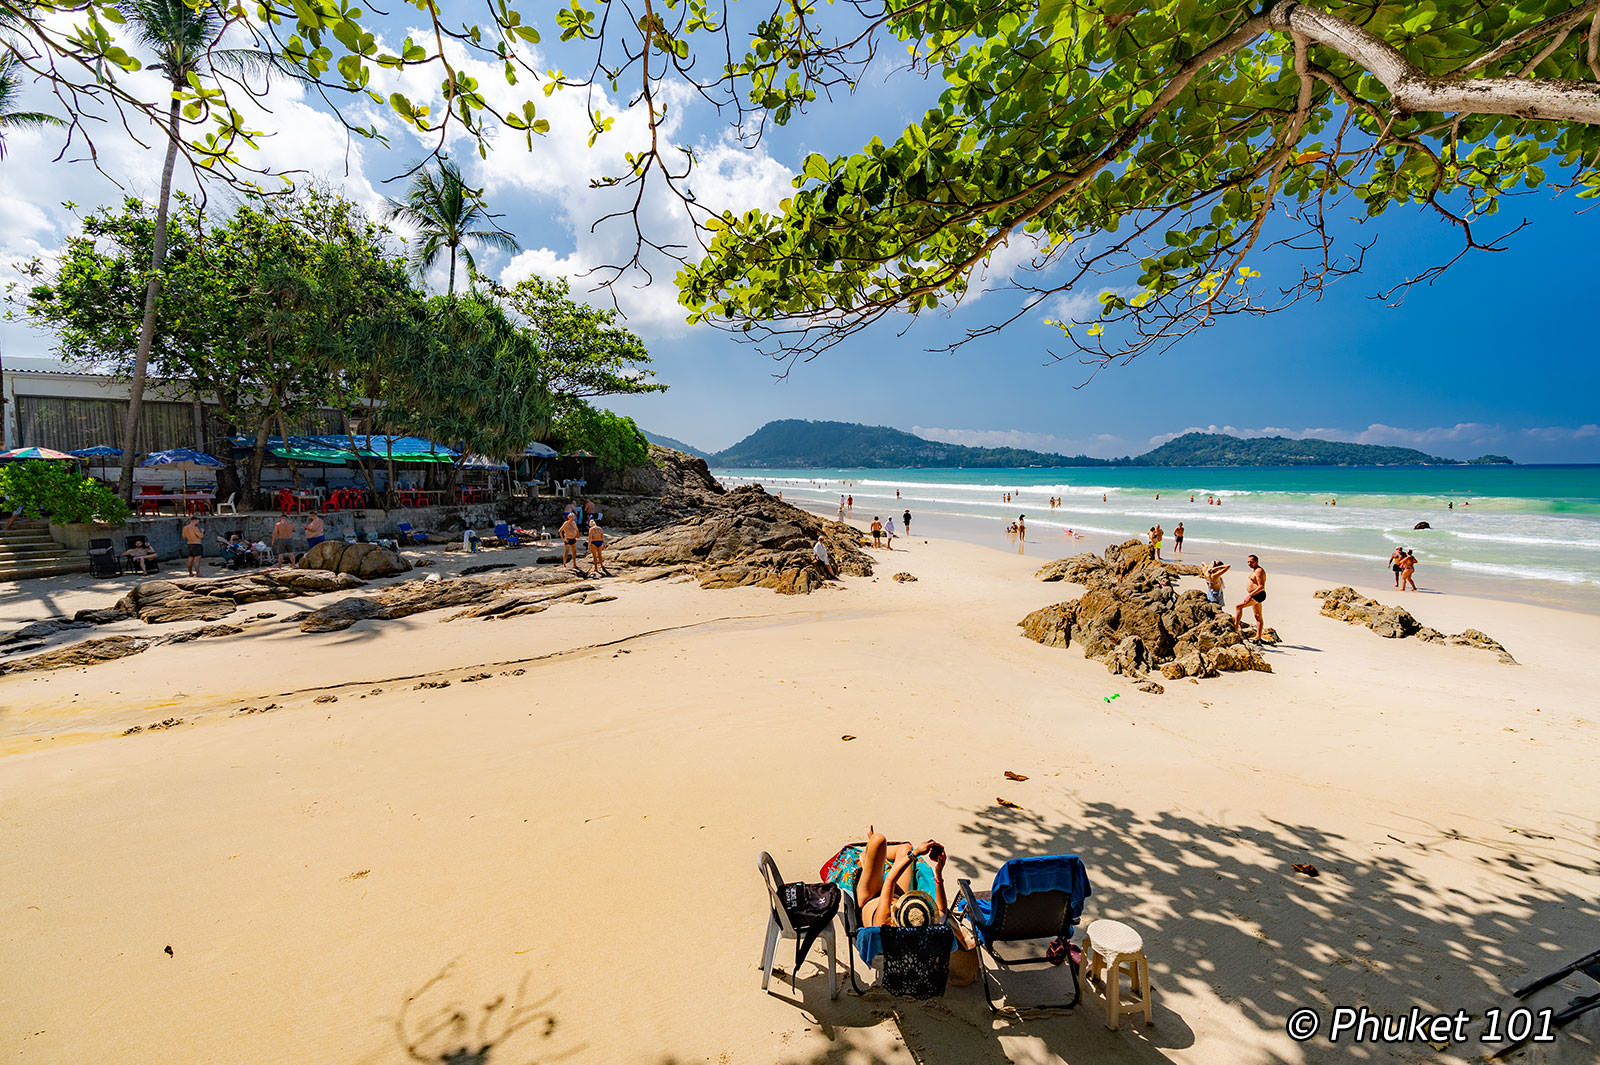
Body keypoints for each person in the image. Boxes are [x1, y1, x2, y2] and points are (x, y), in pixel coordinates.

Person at [855, 830, 978, 986]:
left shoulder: (883, 922)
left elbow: (891, 880)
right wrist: (938, 875)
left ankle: (868, 856)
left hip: (870, 897)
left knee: (879, 840)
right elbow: (942, 911)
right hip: (898, 896)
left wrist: (916, 853)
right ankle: (874, 860)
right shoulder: (925, 925)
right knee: (905, 848)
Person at [1233, 554, 1267, 639]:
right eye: (1248, 562)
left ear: (1256, 562)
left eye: (1251, 562)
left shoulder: (1259, 571)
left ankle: (1235, 628)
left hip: (1258, 595)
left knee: (1238, 607)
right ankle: (1258, 636)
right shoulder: (1253, 570)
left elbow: (1261, 586)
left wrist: (1250, 595)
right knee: (1257, 615)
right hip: (1256, 594)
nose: (1249, 564)